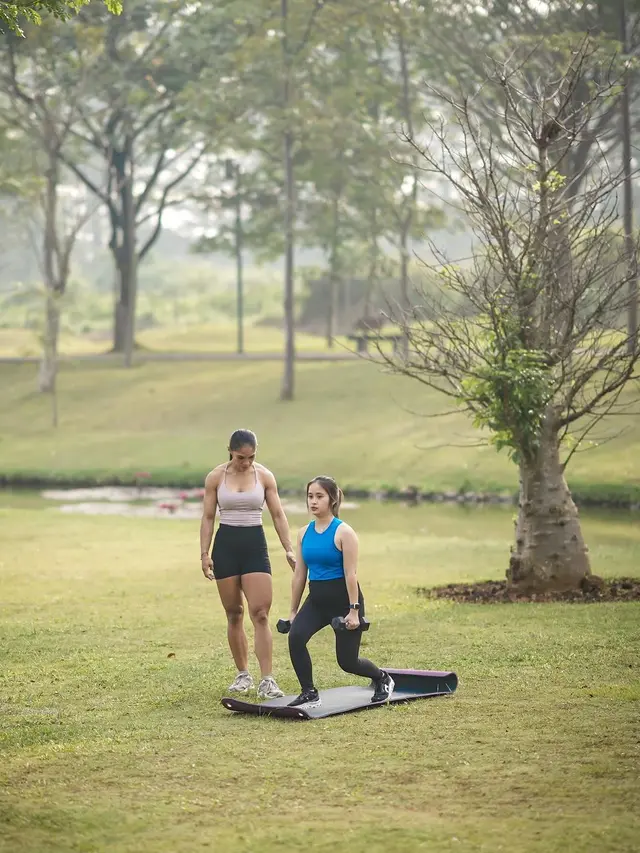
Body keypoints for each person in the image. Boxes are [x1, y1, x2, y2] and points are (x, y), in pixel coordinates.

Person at [200, 429, 296, 700]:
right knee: (234, 613)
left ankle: (268, 679)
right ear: (230, 451)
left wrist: (289, 549)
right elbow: (208, 517)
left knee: (261, 613)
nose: (246, 462)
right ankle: (243, 675)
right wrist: (204, 554)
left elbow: (278, 514)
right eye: (241, 457)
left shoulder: (264, 476)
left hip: (254, 545)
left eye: (251, 457)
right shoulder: (215, 477)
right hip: (226, 546)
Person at [286, 475, 395, 708]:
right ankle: (309, 692)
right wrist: (293, 611)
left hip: (344, 602)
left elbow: (350, 574)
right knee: (295, 637)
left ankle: (381, 678)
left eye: (319, 496)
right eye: (310, 496)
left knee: (347, 662)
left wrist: (354, 611)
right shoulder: (304, 533)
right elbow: (299, 575)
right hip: (317, 600)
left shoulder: (344, 532)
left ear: (332, 499)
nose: (313, 501)